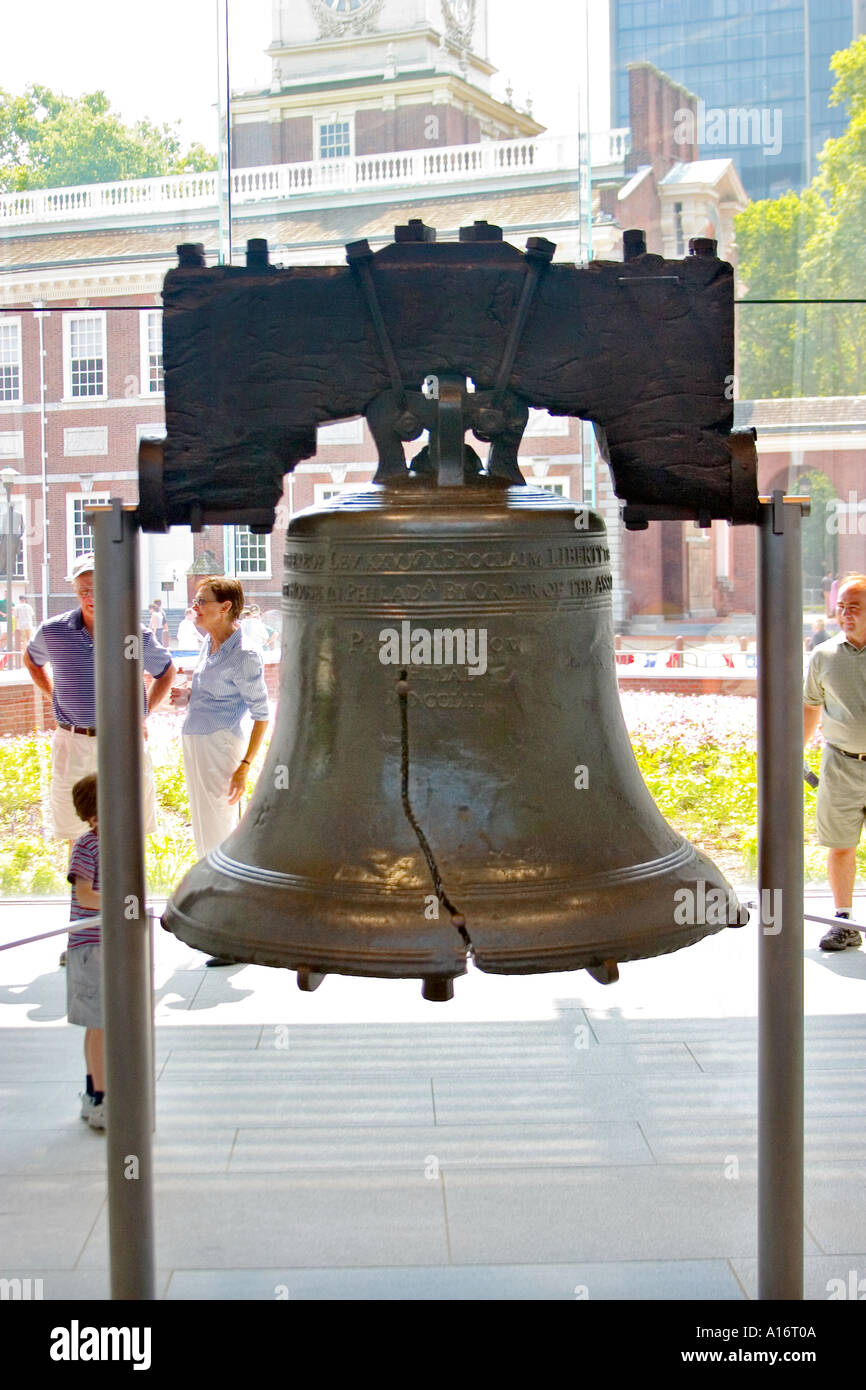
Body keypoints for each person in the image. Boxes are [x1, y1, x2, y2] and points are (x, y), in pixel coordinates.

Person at [23, 554, 176, 843]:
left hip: (124, 743)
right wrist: (54, 694)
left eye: (98, 588)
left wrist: (143, 714)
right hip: (74, 743)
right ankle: (83, 890)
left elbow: (166, 672)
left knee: (129, 833)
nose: (90, 596)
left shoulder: (134, 633)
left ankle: (123, 890)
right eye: (83, 590)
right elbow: (32, 660)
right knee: (76, 834)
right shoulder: (53, 631)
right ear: (75, 590)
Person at [171, 576, 269, 966]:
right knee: (205, 831)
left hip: (220, 747)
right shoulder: (206, 646)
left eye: (201, 601)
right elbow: (213, 696)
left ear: (225, 606)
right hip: (198, 743)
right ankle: (221, 925)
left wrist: (244, 766)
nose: (194, 607)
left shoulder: (245, 654)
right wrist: (187, 696)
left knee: (219, 835)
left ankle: (231, 934)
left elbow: (261, 714)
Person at [804, 574, 866, 951]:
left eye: (854, 608)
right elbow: (811, 706)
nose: (844, 614)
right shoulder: (824, 655)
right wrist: (796, 752)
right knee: (841, 846)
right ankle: (843, 922)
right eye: (841, 607)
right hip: (840, 766)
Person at [65, 773, 106, 1130]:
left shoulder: (119, 842)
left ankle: (101, 1092)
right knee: (99, 1022)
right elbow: (85, 895)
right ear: (94, 817)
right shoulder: (87, 846)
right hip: (90, 944)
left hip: (111, 944)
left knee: (108, 1022)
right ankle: (98, 1097)